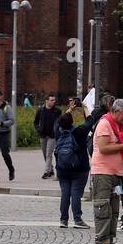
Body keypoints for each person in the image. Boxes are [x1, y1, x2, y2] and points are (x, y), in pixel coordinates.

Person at [91, 99, 123, 244]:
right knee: (103, 205)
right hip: (103, 172)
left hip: (116, 173)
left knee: (114, 208)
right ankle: (102, 239)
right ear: (116, 111)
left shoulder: (120, 126)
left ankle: (109, 238)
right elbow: (104, 148)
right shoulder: (105, 124)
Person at [54, 98, 91, 229]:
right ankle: (77, 220)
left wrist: (70, 110)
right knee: (76, 193)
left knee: (65, 193)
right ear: (73, 122)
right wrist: (85, 107)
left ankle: (63, 220)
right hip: (79, 168)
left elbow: (59, 121)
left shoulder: (58, 132)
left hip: (62, 168)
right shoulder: (78, 132)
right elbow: (90, 122)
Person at [33, 94, 61, 180]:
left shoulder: (57, 111)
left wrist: (57, 130)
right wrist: (38, 129)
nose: (53, 102)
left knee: (49, 154)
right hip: (43, 135)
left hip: (52, 136)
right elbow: (35, 122)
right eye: (51, 100)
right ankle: (51, 170)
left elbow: (60, 122)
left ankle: (46, 171)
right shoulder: (40, 110)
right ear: (47, 101)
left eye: (54, 100)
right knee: (45, 154)